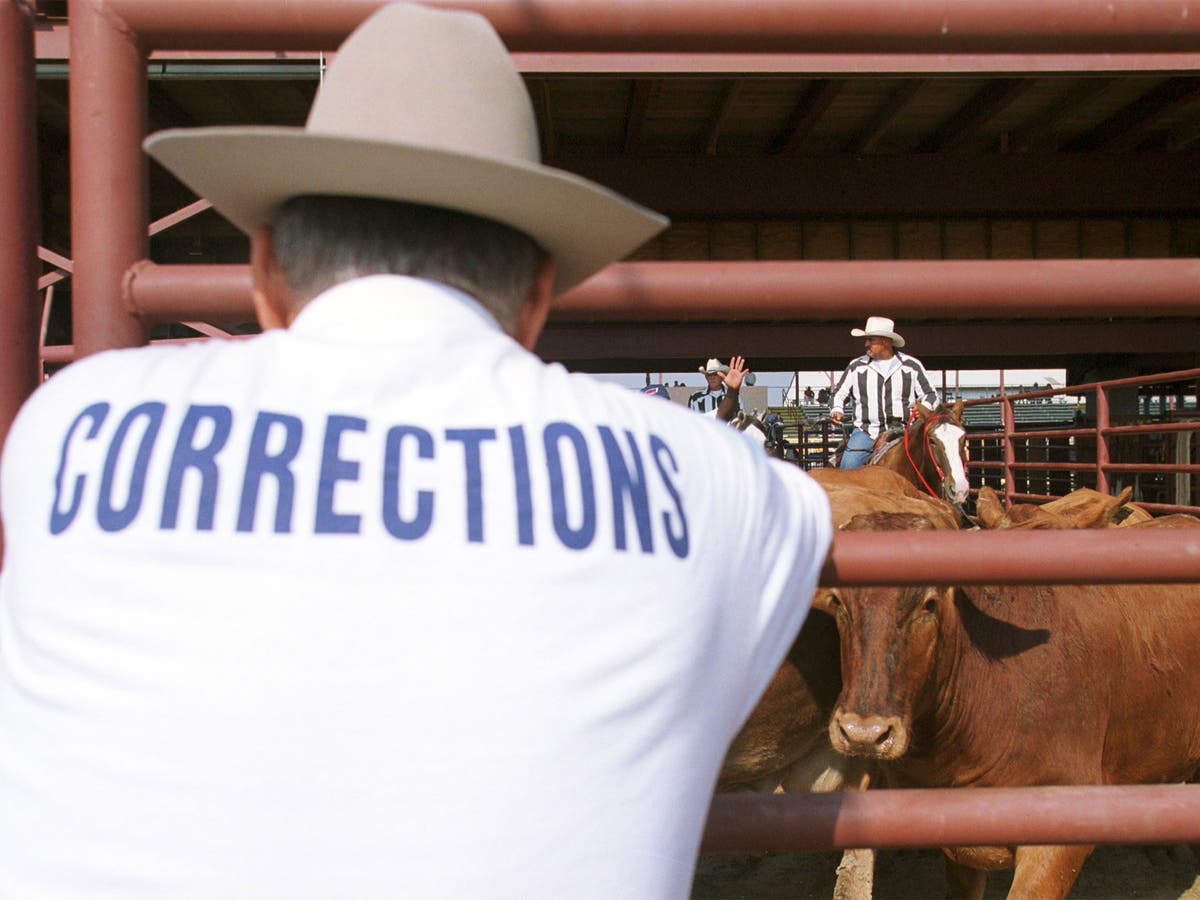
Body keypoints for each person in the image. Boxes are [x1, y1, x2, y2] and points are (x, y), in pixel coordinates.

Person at [0, 6, 832, 899]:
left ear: (266, 270)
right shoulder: (707, 479)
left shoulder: (71, 425)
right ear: (539, 295)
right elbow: (818, 513)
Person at [828, 315, 938, 469]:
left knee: (933, 464)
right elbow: (838, 394)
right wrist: (837, 409)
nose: (866, 344)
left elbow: (931, 395)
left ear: (886, 341)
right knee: (848, 467)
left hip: (904, 431)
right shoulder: (856, 367)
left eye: (871, 340)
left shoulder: (911, 366)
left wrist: (924, 407)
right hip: (867, 432)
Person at [688, 355, 749, 422]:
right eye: (709, 374)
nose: (712, 378)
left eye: (715, 374)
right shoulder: (695, 398)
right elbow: (690, 423)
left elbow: (742, 421)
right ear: (706, 377)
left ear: (722, 376)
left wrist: (733, 391)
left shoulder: (735, 397)